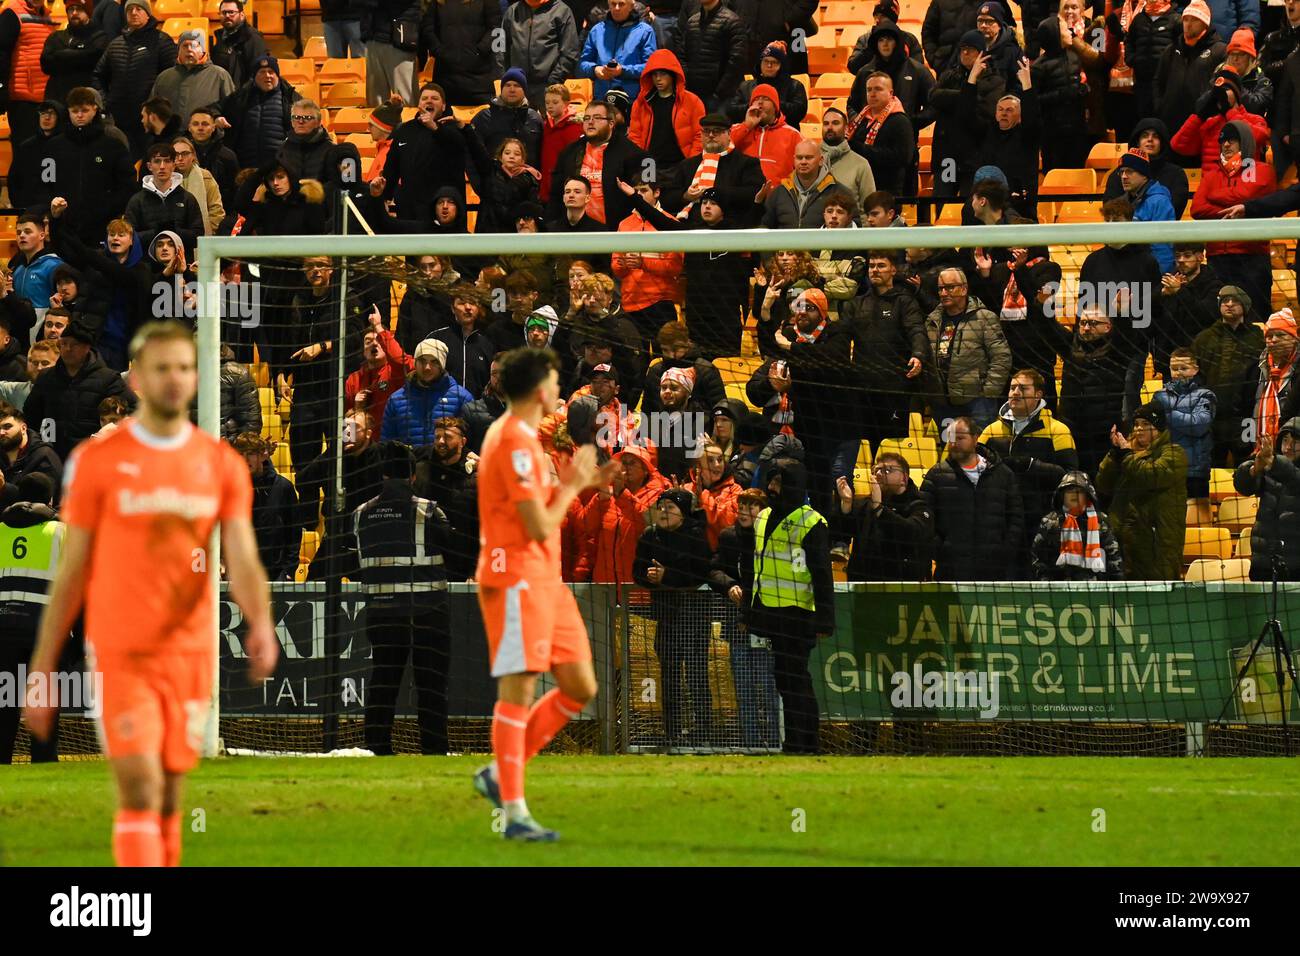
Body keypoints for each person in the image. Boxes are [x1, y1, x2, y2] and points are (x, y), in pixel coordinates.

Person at [24, 320, 278, 866]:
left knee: (167, 790)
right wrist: (42, 666)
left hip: (188, 650)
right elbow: (71, 568)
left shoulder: (221, 465)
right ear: (136, 377)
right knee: (139, 784)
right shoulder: (97, 462)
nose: (174, 379)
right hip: (120, 646)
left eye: (185, 368)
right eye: (162, 368)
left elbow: (243, 557)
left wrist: (261, 622)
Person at [470, 347, 620, 841]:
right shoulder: (512, 441)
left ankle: (499, 774)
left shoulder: (525, 440)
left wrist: (585, 481)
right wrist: (575, 484)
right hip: (515, 576)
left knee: (580, 686)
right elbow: (536, 525)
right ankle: (514, 812)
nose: (560, 391)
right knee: (519, 688)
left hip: (543, 579)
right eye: (556, 382)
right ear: (540, 389)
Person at [353, 440, 454, 755]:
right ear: (413, 476)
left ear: (382, 474)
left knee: (383, 683)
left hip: (382, 615)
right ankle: (434, 752)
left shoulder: (360, 515)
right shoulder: (428, 511)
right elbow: (452, 550)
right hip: (427, 614)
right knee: (431, 688)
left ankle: (377, 748)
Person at [741, 457, 833, 755]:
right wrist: (750, 611)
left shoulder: (811, 522)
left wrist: (824, 620)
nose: (771, 487)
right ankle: (797, 743)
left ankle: (805, 743)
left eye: (778, 482)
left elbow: (822, 576)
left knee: (795, 680)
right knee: (786, 679)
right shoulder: (764, 517)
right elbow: (755, 568)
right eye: (771, 480)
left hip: (798, 614)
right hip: (771, 611)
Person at [633, 487, 714, 747]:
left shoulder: (695, 536)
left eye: (671, 508)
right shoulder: (649, 535)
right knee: (668, 676)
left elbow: (701, 573)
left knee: (696, 674)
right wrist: (649, 577)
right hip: (666, 617)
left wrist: (668, 576)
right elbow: (637, 570)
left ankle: (703, 730)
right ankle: (672, 731)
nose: (664, 512)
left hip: (694, 617)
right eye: (661, 507)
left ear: (683, 514)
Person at [977, 368, 1079, 573]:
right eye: (1013, 387)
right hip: (1003, 522)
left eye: (1023, 388)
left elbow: (1070, 475)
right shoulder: (990, 431)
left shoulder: (1058, 430)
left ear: (1038, 394)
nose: (1015, 392)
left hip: (1042, 520)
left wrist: (1033, 465)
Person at [0, 471, 64, 763]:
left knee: (4, 704)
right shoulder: (61, 532)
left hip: (4, 629)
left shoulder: (0, 530)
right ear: (50, 499)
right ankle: (44, 764)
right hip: (44, 631)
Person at [707, 487, 777, 748]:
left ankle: (772, 741)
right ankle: (750, 742)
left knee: (768, 689)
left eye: (752, 506)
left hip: (765, 624)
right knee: (745, 690)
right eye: (742, 506)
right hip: (737, 625)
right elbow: (714, 569)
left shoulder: (772, 537)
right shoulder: (729, 536)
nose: (745, 511)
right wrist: (728, 585)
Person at [921, 415, 1023, 580]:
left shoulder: (1003, 474)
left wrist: (1004, 551)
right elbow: (924, 517)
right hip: (951, 570)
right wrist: (940, 550)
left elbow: (1016, 518)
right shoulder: (936, 474)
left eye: (960, 437)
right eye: (951, 438)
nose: (954, 443)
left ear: (975, 439)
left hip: (994, 570)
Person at [1191, 120, 1276, 315]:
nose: (1226, 145)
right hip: (1217, 258)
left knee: (1256, 317)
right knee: (1218, 319)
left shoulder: (1262, 170)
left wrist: (1214, 195)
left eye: (1232, 140)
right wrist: (1234, 207)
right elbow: (1197, 208)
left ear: (1244, 142)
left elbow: (1245, 196)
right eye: (1223, 141)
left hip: (1252, 257)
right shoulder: (1211, 173)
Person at [1096, 402, 1189, 580]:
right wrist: (1114, 454)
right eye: (1137, 424)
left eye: (1146, 424)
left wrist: (1125, 455)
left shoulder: (1173, 453)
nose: (1139, 429)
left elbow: (1151, 476)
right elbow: (1103, 484)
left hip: (1157, 546)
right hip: (1121, 541)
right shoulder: (1126, 454)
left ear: (1159, 427)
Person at [22, 318, 133, 461]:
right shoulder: (46, 377)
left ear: (87, 348)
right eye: (64, 343)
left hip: (93, 454)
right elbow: (31, 414)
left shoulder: (108, 378)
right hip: (52, 453)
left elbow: (134, 410)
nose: (68, 349)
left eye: (74, 345)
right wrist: (39, 444)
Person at [923, 266, 1010, 434]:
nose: (943, 293)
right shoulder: (932, 320)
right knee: (951, 452)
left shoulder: (984, 318)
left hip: (977, 403)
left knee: (981, 451)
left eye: (949, 287)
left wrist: (988, 393)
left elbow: (1002, 358)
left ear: (963, 289)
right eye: (940, 288)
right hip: (943, 403)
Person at [833, 449, 934, 581]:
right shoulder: (865, 505)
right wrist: (846, 504)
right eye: (876, 470)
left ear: (904, 478)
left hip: (904, 587)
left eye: (887, 470)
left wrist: (880, 510)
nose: (879, 474)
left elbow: (913, 533)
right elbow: (839, 533)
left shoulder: (919, 505)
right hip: (864, 587)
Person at [92, 0, 177, 156]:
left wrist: (156, 106)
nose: (134, 12)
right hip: (118, 118)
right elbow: (99, 75)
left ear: (148, 14)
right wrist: (105, 102)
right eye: (130, 9)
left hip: (149, 121)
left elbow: (172, 78)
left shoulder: (162, 41)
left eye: (139, 9)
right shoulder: (116, 44)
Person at [1193, 286, 1263, 465]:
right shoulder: (1204, 339)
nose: (1229, 304)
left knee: (1247, 465)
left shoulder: (1258, 337)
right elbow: (1196, 375)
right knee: (1213, 468)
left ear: (1245, 306)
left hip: (1246, 419)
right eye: (1225, 301)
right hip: (1212, 419)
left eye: (1235, 301)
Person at [1234, 422, 1300, 579]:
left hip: (1295, 565)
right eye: (1285, 440)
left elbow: (1293, 477)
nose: (1288, 447)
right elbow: (1244, 486)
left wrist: (1274, 463)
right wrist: (1254, 469)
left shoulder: (1280, 467)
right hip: (1263, 562)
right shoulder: (1270, 469)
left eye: (1295, 441)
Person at [1030, 471, 1125, 580]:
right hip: (1058, 589)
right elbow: (1037, 559)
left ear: (1087, 495)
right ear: (1062, 495)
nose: (1075, 494)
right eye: (1070, 490)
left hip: (1096, 588)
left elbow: (1114, 557)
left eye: (1080, 491)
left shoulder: (1101, 521)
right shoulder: (1049, 522)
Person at [231, 431, 299, 581]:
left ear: (263, 455)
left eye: (251, 453)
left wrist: (288, 570)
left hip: (275, 574)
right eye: (241, 454)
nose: (245, 459)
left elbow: (294, 533)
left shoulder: (283, 487)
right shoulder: (231, 488)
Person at [1155, 347, 1216, 511]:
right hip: (1166, 469)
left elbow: (1198, 425)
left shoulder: (1206, 395)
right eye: (1175, 369)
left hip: (1195, 472)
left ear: (1195, 369)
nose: (1179, 373)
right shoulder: (1159, 395)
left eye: (1184, 368)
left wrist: (1166, 414)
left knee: (1198, 522)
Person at [380, 338, 473, 447]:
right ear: (415, 363)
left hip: (447, 463)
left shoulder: (461, 397)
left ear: (442, 366)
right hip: (408, 463)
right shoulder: (396, 400)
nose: (427, 367)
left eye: (434, 362)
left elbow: (471, 443)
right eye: (422, 361)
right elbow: (386, 445)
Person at [627, 49, 704, 179]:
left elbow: (700, 135)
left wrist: (691, 162)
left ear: (673, 75)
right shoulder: (641, 103)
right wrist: (639, 162)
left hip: (681, 163)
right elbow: (635, 136)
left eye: (662, 74)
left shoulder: (692, 101)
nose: (658, 79)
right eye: (654, 74)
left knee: (678, 198)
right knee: (648, 197)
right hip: (648, 164)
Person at [1154, 0, 1226, 139]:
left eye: (1194, 20)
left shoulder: (1219, 51)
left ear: (1205, 23)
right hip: (1171, 123)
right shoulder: (1171, 49)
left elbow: (1222, 87)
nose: (1188, 24)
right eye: (1186, 19)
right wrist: (1160, 106)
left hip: (1202, 124)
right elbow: (1158, 81)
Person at [214, 54, 299, 170]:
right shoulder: (240, 96)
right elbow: (213, 108)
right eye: (262, 72)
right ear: (254, 76)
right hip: (245, 165)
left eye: (271, 72)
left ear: (277, 75)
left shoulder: (291, 98)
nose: (267, 76)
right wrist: (216, 116)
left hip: (279, 166)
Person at [1102, 118, 1192, 218]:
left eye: (1156, 136)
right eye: (1145, 135)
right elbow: (1111, 212)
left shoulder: (1176, 174)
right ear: (1137, 142)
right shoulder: (1118, 174)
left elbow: (1172, 213)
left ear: (1162, 143)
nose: (1150, 139)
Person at [502, 0, 581, 111]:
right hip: (517, 86)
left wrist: (553, 81)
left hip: (548, 87)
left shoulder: (562, 11)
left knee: (547, 127)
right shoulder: (512, 11)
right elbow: (501, 49)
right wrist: (509, 79)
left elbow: (570, 52)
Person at [845, 71, 916, 196]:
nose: (872, 94)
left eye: (878, 89)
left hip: (888, 191)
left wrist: (861, 149)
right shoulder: (861, 119)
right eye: (869, 90)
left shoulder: (900, 120)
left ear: (891, 93)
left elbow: (903, 157)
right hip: (860, 187)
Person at [149, 30, 234, 131]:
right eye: (185, 46)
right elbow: (152, 110)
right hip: (172, 139)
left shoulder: (220, 75)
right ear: (178, 50)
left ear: (203, 49)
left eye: (194, 46)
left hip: (207, 139)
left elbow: (232, 107)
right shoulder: (164, 77)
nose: (189, 49)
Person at [419, 0, 498, 107]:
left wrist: (479, 51)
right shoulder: (437, 2)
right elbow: (427, 29)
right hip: (446, 77)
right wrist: (439, 51)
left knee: (483, 121)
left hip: (479, 79)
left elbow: (496, 28)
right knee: (446, 121)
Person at [673, 0, 746, 113]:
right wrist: (687, 82)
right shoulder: (692, 21)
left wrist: (719, 93)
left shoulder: (732, 21)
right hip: (692, 93)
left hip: (718, 98)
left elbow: (737, 62)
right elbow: (682, 54)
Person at [347, 306, 411, 434]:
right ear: (363, 351)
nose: (374, 344)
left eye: (379, 340)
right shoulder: (353, 380)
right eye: (368, 341)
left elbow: (401, 360)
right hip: (363, 448)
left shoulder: (394, 371)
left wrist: (378, 326)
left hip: (391, 443)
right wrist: (357, 408)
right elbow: (348, 435)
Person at [578, 0, 656, 102]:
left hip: (632, 99)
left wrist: (622, 71)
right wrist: (595, 70)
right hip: (601, 98)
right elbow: (582, 64)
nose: (617, 8)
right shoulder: (597, 30)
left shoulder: (645, 31)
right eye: (613, 4)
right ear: (608, 5)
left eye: (621, 4)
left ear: (631, 6)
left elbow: (650, 67)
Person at [729, 83, 801, 187]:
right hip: (743, 195)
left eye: (766, 99)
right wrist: (747, 125)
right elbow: (721, 150)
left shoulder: (793, 134)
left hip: (779, 196)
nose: (760, 102)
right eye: (756, 99)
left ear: (776, 107)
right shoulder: (739, 129)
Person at [40, 0, 108, 109]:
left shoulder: (99, 37)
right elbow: (46, 65)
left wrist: (60, 55)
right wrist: (79, 55)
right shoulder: (56, 37)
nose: (74, 13)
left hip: (85, 102)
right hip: (58, 100)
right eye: (71, 9)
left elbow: (93, 59)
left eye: (79, 9)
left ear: (88, 13)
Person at [470, 68, 544, 167]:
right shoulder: (483, 118)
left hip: (528, 180)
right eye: (507, 85)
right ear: (501, 89)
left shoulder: (535, 119)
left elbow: (543, 155)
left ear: (524, 90)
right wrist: (481, 182)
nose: (512, 89)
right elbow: (472, 153)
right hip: (492, 180)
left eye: (517, 86)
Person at [727, 40, 807, 128]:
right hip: (752, 133)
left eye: (774, 62)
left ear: (781, 65)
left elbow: (799, 112)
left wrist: (772, 105)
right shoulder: (745, 86)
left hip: (784, 133)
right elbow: (732, 110)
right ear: (760, 64)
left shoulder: (794, 86)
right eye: (766, 61)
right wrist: (753, 106)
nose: (769, 65)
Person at [762, 138, 837, 230]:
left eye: (809, 157)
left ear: (821, 160)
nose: (803, 162)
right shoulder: (779, 193)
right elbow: (764, 227)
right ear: (794, 160)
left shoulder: (837, 192)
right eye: (799, 158)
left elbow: (853, 226)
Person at [1254, 308, 1300, 449]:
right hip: (1260, 444)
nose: (1273, 340)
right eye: (1269, 336)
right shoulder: (1258, 366)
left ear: (1294, 338)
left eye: (1280, 335)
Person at [210, 0, 268, 92]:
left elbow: (259, 72)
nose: (227, 16)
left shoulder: (252, 38)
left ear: (242, 15)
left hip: (243, 98)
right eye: (224, 13)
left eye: (231, 12)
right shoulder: (220, 38)